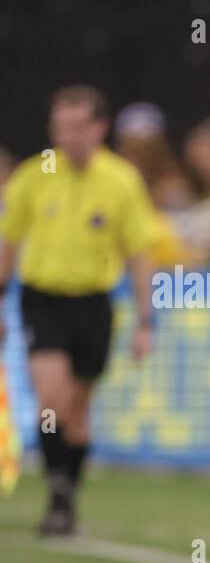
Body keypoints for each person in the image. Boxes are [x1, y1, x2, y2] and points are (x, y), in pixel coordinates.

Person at [0, 86, 156, 535]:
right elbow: (9, 240)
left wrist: (146, 320)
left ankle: (66, 494)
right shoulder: (35, 174)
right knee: (51, 397)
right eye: (59, 127)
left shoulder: (121, 179)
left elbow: (139, 252)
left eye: (77, 127)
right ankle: (58, 495)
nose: (66, 136)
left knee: (78, 412)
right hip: (43, 299)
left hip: (93, 304)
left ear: (99, 128)